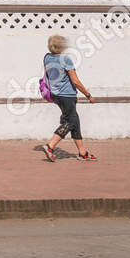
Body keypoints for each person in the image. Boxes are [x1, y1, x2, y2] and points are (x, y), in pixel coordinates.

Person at [40, 34, 94, 162]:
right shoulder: (66, 60)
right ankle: (50, 146)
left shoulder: (47, 58)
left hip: (55, 95)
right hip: (67, 96)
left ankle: (82, 152)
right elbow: (75, 81)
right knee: (70, 122)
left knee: (75, 122)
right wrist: (88, 95)